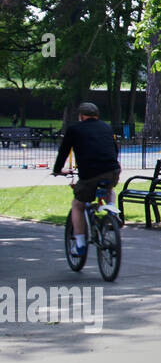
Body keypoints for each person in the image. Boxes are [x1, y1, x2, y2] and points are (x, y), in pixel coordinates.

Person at [51, 103, 122, 261]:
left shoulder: (74, 129)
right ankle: (111, 211)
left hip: (90, 174)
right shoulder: (106, 127)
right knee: (109, 189)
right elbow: (115, 149)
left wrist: (57, 170)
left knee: (78, 205)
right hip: (112, 170)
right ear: (97, 116)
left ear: (81, 116)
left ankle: (80, 244)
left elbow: (63, 152)